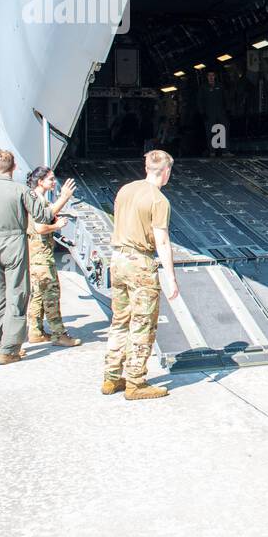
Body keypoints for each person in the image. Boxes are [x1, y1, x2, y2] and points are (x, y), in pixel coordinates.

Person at [102, 149, 180, 399]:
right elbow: (162, 242)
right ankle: (136, 382)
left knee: (120, 320)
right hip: (140, 264)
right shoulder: (158, 200)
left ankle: (111, 377)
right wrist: (171, 278)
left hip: (118, 259)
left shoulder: (125, 190)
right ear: (166, 172)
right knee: (143, 323)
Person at [0, 149, 56, 365]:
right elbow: (43, 215)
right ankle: (9, 349)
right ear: (14, 167)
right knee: (17, 294)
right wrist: (61, 199)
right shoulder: (20, 190)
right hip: (15, 242)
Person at [25, 165, 79, 347]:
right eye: (50, 179)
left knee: (39, 295)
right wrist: (57, 224)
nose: (54, 182)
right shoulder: (37, 200)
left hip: (35, 254)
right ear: (40, 181)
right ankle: (59, 334)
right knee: (51, 294)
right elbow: (40, 227)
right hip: (41, 255)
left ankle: (35, 331)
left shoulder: (35, 198)